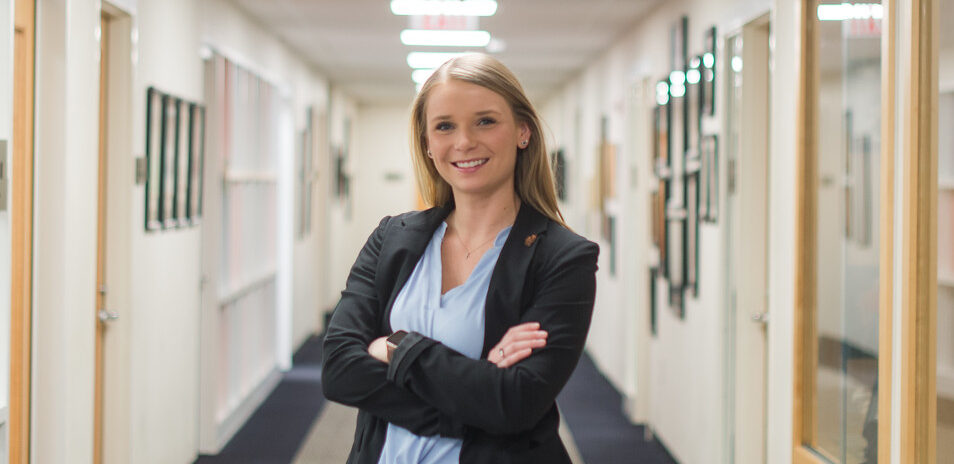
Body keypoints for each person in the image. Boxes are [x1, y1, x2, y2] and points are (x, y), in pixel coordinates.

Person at [321, 53, 599, 464]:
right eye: (445, 126)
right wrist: (475, 395)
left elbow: (516, 402)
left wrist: (399, 346)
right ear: (428, 145)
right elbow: (340, 371)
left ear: (523, 131)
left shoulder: (561, 258)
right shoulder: (391, 240)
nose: (464, 142)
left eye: (485, 121)